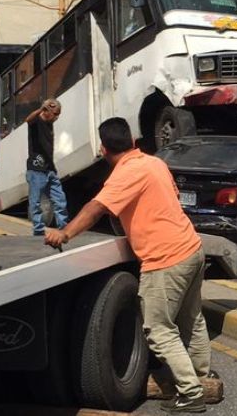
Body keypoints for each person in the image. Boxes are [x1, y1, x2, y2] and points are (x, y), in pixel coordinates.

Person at [44, 117, 215, 413]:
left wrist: (65, 233)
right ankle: (202, 375)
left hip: (165, 259)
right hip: (191, 248)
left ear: (103, 148)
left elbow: (96, 208)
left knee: (159, 329)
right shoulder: (154, 163)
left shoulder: (124, 174)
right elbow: (167, 199)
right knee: (192, 318)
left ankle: (191, 393)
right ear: (133, 141)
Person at [25, 99, 68, 236]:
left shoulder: (50, 124)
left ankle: (64, 227)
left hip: (50, 169)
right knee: (35, 201)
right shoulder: (36, 122)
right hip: (36, 170)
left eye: (58, 114)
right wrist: (41, 109)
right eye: (55, 114)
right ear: (46, 111)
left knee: (60, 199)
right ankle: (38, 229)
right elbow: (28, 119)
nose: (57, 117)